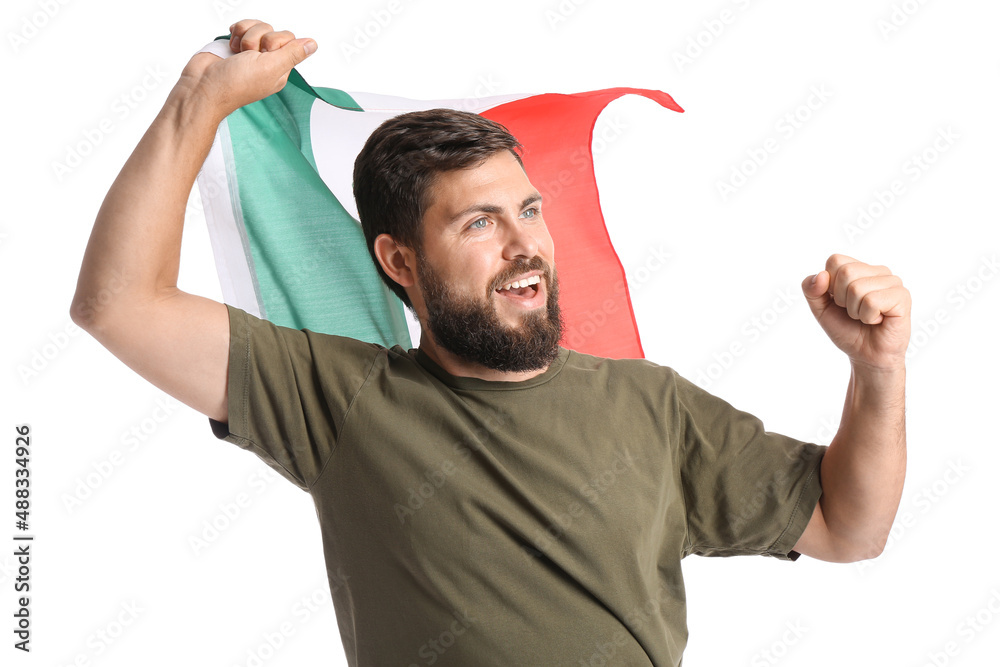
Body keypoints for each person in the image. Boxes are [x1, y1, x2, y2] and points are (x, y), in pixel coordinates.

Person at [70, 19, 910, 667]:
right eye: (480, 222)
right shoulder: (337, 396)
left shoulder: (650, 403)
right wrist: (199, 101)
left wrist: (878, 370)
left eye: (530, 210)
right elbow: (118, 304)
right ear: (398, 259)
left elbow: (849, 526)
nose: (525, 246)